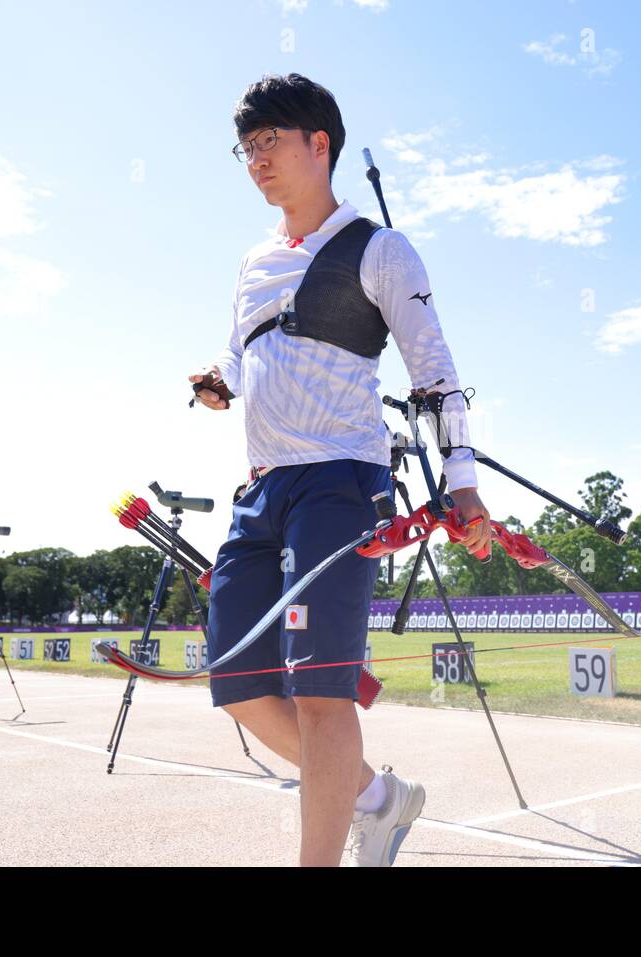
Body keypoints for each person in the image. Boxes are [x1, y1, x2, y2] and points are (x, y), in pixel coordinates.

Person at [190, 73, 491, 867]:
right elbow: (235, 352)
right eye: (245, 147)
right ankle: (379, 800)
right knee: (240, 684)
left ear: (319, 143)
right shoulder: (254, 261)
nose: (254, 160)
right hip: (261, 490)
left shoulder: (380, 249)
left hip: (340, 482)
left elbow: (438, 372)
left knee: (321, 691)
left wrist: (462, 482)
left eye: (269, 142)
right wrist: (219, 382)